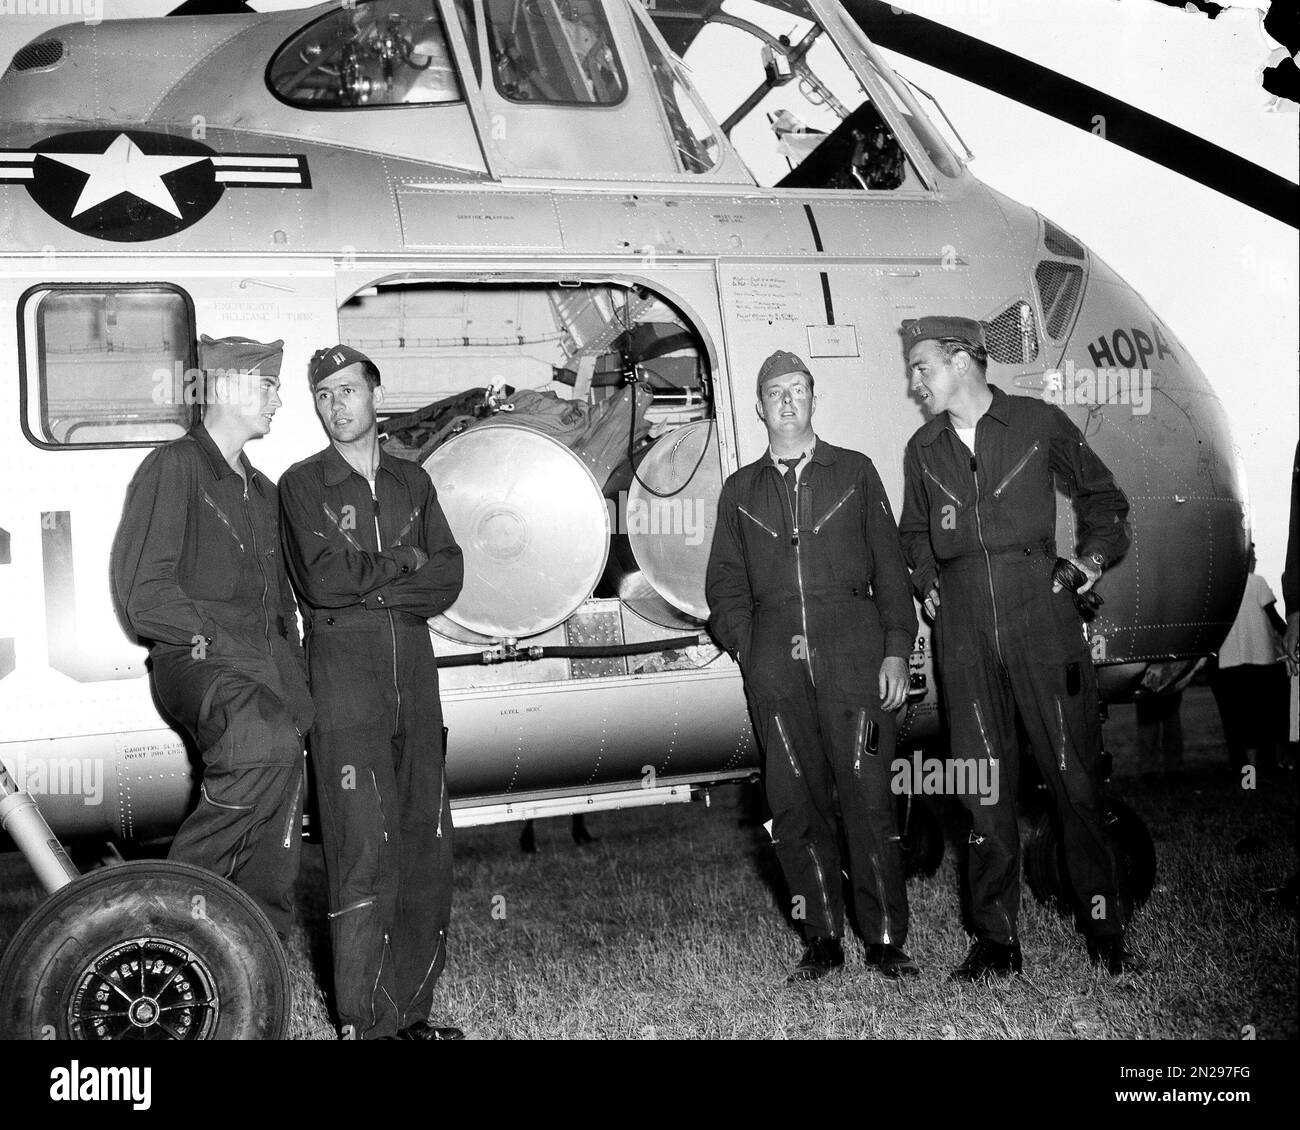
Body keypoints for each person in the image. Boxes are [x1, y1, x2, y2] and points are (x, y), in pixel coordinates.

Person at [898, 315, 1139, 978]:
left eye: (923, 366)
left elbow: (1103, 497)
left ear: (964, 360)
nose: (915, 382)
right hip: (964, 625)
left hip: (1042, 609)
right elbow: (914, 532)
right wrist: (927, 580)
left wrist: (1083, 564)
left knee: (1074, 775)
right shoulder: (923, 450)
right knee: (981, 785)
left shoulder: (1037, 422)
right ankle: (997, 941)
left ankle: (1102, 924)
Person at [706, 349, 918, 982]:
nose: (788, 400)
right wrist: (749, 647)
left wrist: (896, 650)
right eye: (776, 392)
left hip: (855, 655)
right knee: (792, 801)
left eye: (798, 389)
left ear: (814, 398)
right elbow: (724, 586)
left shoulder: (855, 473)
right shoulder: (740, 491)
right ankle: (821, 938)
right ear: (761, 406)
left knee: (868, 794)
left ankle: (883, 937)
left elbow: (891, 571)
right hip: (776, 665)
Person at [279, 345, 465, 1041]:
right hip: (344, 679)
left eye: (348, 390)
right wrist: (401, 567)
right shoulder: (302, 485)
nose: (336, 404)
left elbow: (448, 575)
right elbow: (323, 581)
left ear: (374, 396)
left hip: (413, 676)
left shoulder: (414, 484)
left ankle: (410, 1013)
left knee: (426, 845)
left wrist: (378, 581)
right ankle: (364, 1022)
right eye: (323, 394)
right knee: (363, 851)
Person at [111, 335, 314, 941]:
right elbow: (144, 596)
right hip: (196, 662)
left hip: (265, 671)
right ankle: (160, 926)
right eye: (269, 385)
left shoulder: (264, 491)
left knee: (279, 796)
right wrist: (220, 642)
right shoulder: (173, 466)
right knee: (260, 738)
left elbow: (282, 608)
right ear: (225, 386)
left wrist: (299, 688)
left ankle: (254, 961)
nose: (280, 399)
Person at [1210, 542, 1289, 772]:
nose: (1255, 559)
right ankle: (1266, 768)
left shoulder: (1220, 586)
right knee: (1264, 716)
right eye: (1252, 555)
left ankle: (1246, 773)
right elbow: (1274, 619)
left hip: (1229, 663)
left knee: (1237, 719)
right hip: (1261, 660)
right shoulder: (1257, 582)